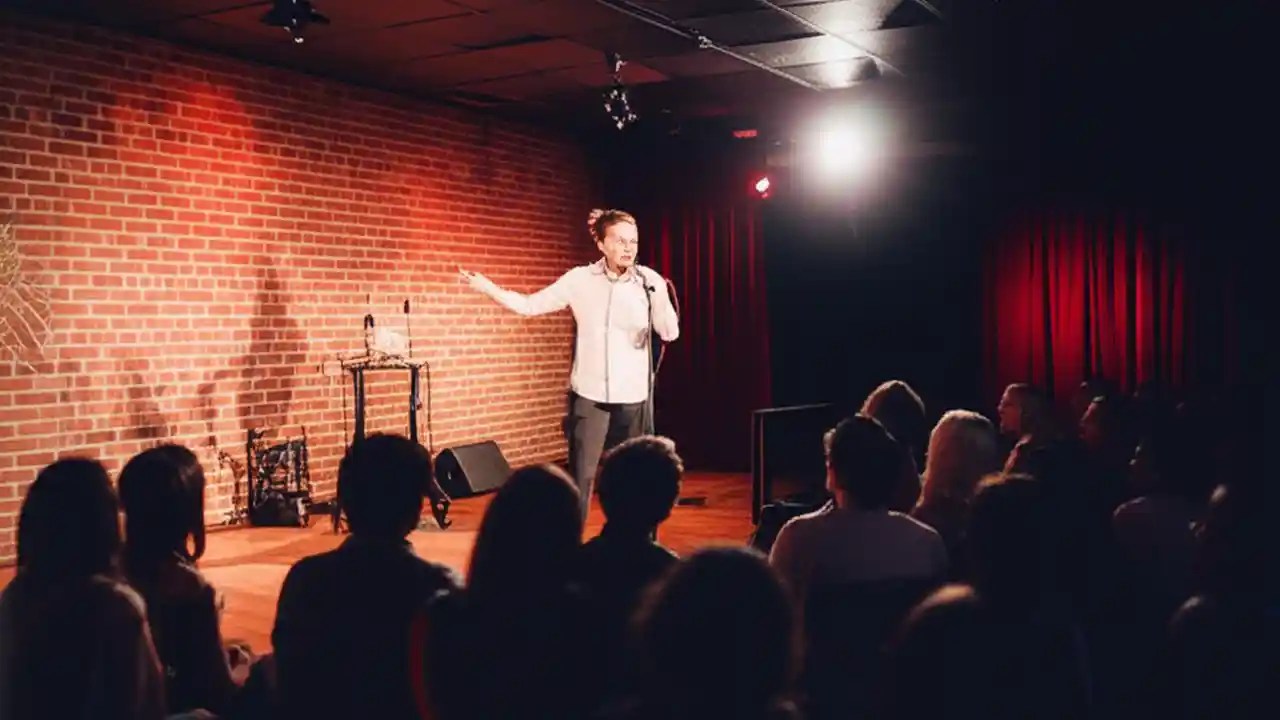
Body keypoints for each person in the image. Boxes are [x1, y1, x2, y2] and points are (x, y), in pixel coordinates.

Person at [459, 208, 680, 520]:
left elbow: (670, 332)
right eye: (620, 241)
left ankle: (637, 547)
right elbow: (530, 305)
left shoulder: (649, 282)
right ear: (601, 244)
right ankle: (570, 549)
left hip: (634, 397)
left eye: (634, 241)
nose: (629, 248)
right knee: (580, 480)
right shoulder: (580, 280)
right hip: (589, 394)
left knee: (636, 478)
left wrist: (658, 297)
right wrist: (490, 289)